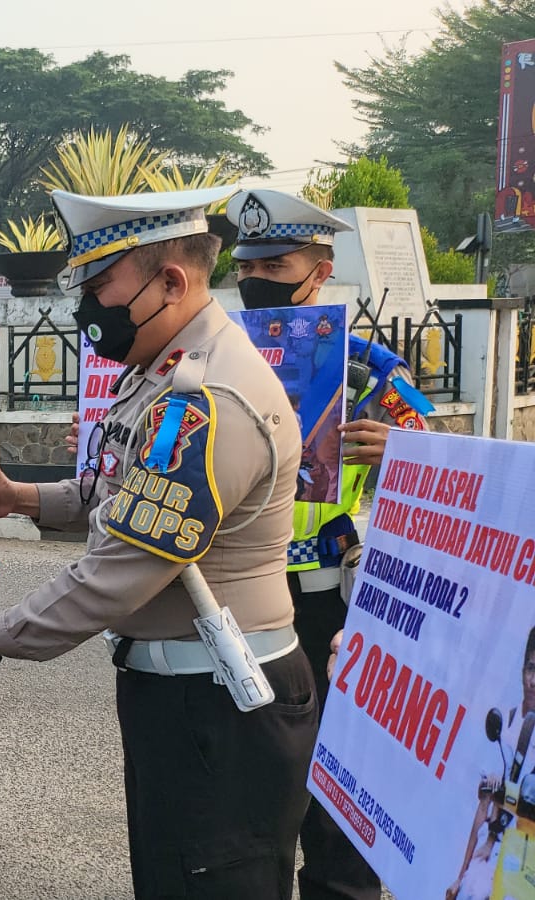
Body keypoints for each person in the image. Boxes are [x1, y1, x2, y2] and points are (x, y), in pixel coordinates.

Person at [0, 186, 318, 899]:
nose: (87, 309)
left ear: (172, 281)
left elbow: (121, 571)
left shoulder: (209, 399)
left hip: (220, 707)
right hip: (180, 697)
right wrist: (25, 499)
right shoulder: (162, 371)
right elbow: (119, 494)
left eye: (101, 287)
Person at [228, 188, 435, 900]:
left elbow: (442, 471)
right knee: (245, 798)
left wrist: (402, 448)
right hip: (235, 604)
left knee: (338, 796)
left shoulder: (374, 371)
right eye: (245, 263)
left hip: (329, 609)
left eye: (275, 263)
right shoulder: (206, 359)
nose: (255, 277)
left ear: (319, 271)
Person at [448, 628, 535, 900]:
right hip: (494, 856)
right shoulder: (506, 726)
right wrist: (460, 876)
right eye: (531, 669)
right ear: (522, 671)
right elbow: (483, 804)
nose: (534, 680)